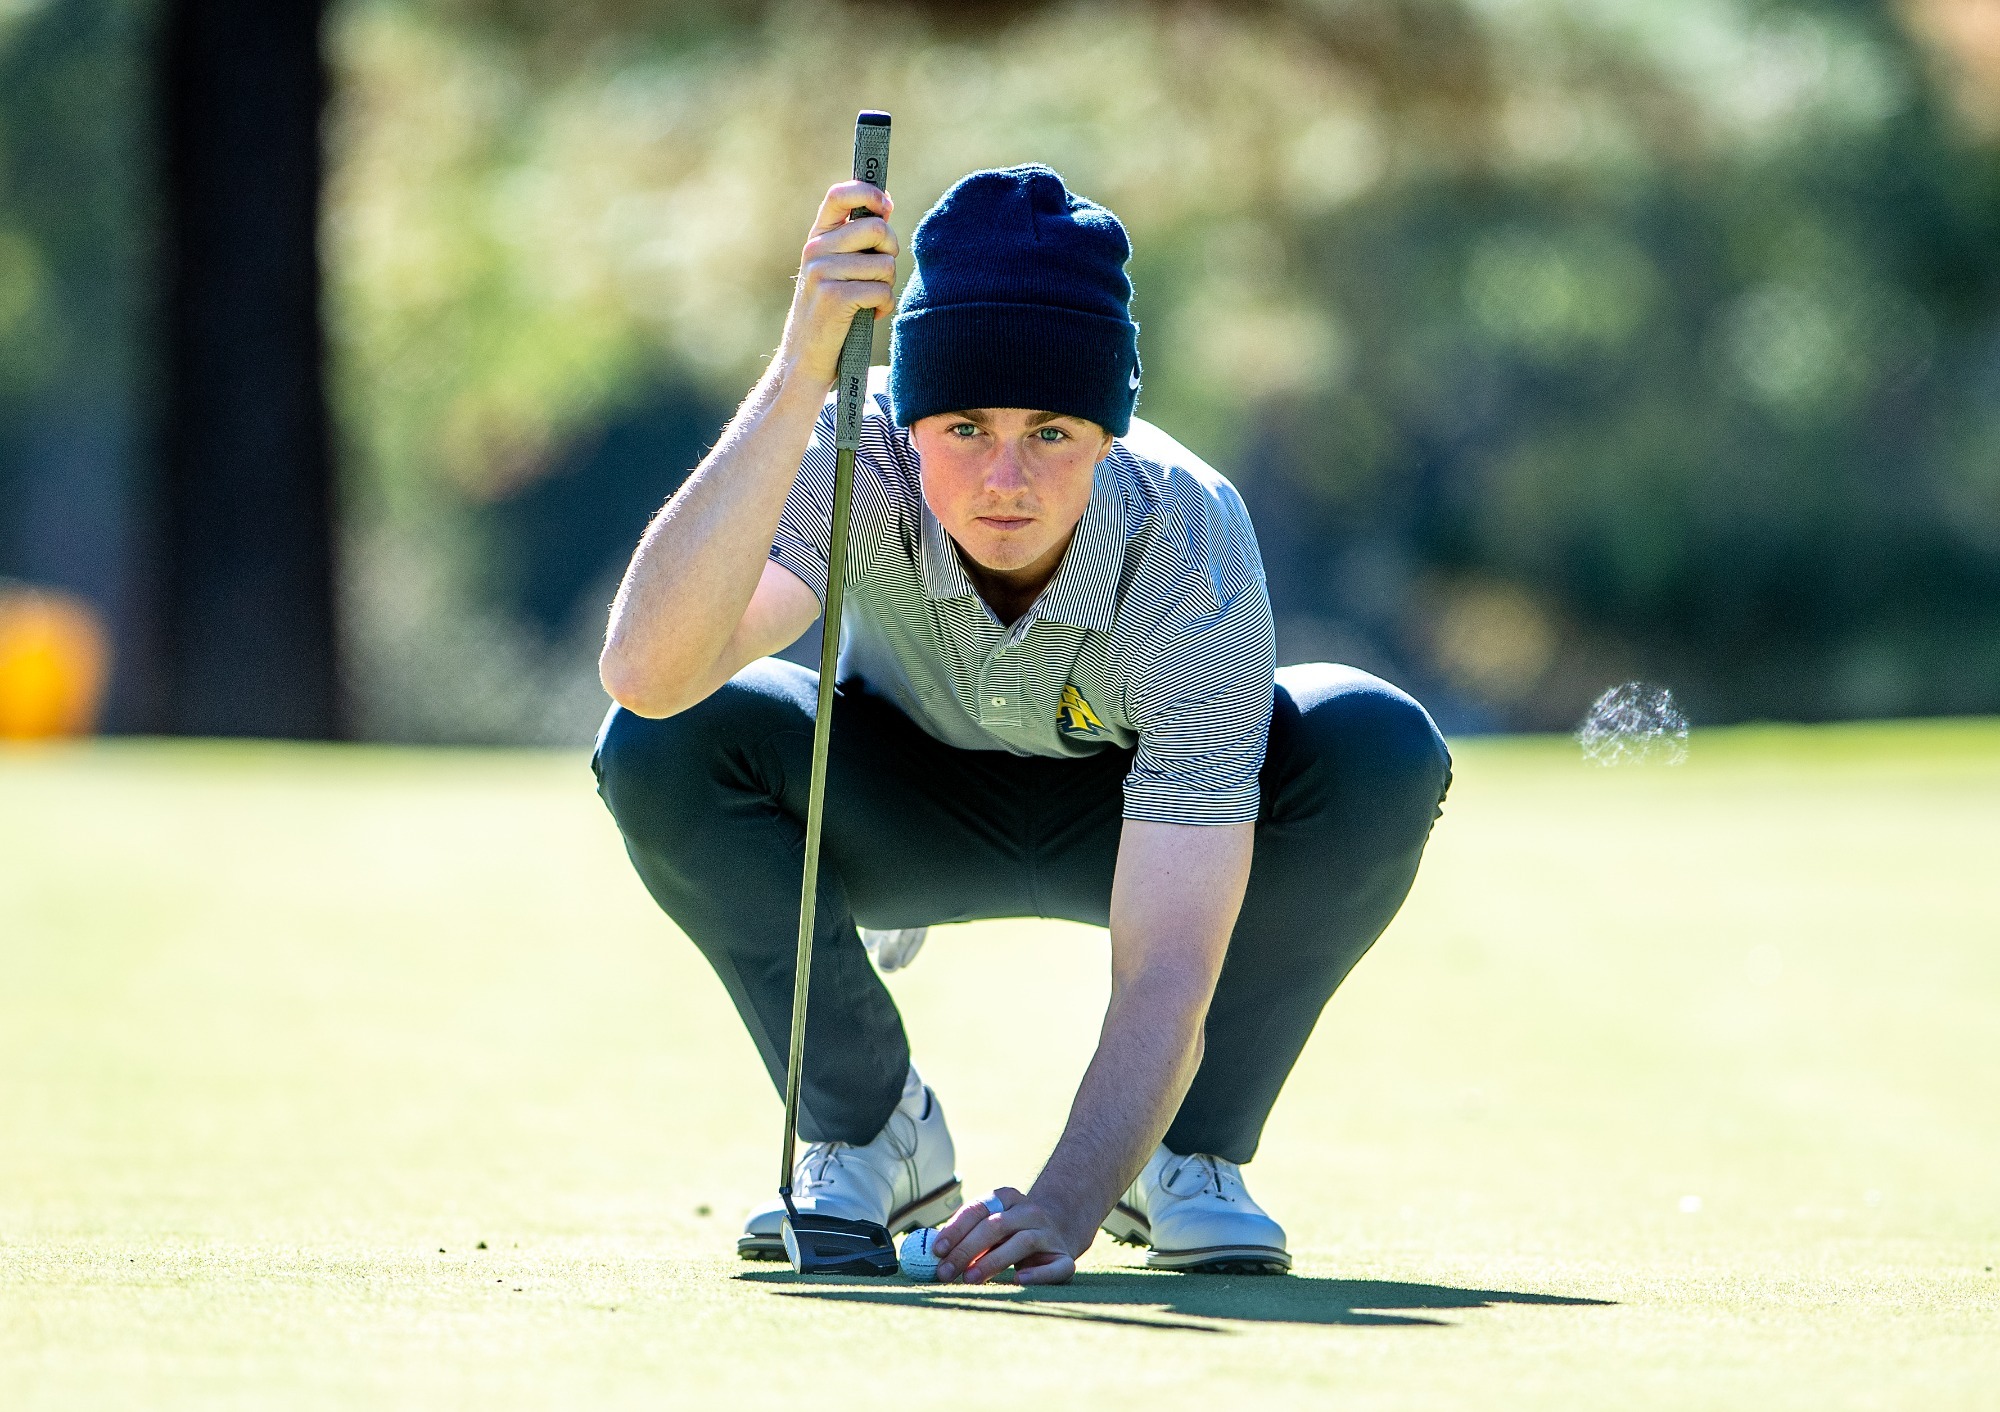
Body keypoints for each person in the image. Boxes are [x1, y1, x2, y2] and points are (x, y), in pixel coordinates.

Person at [593, 164, 1451, 1285]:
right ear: (912, 418)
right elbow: (647, 672)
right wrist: (801, 370)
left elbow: (1168, 963)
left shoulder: (1188, 539)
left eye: (1051, 431)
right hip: (896, 810)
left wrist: (1066, 1199)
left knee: (1373, 741)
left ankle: (1179, 1154)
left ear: (1108, 433)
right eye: (964, 427)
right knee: (659, 737)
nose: (1005, 478)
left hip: (1131, 819)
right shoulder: (855, 452)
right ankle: (872, 1129)